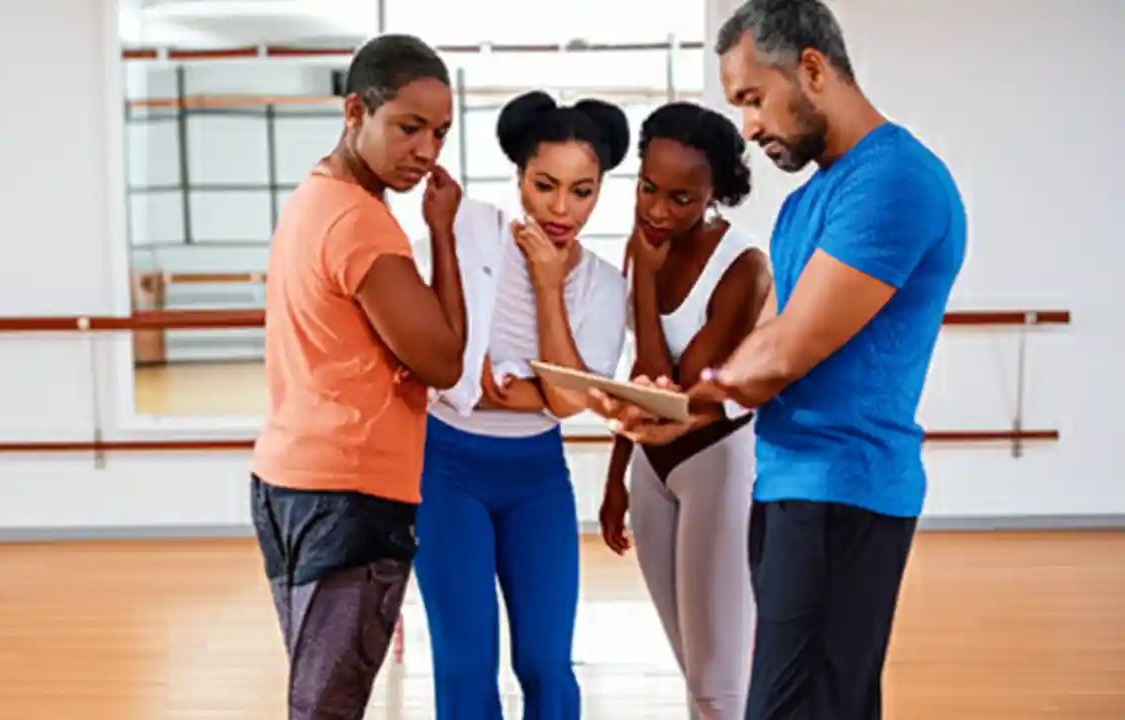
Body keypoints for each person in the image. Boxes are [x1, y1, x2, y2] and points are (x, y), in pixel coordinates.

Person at [592, 1, 968, 718]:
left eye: (753, 99)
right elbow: (763, 345)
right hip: (789, 487)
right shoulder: (808, 203)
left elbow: (788, 348)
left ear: (813, 68)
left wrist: (690, 403)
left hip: (844, 492)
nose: (750, 127)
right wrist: (678, 416)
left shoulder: (893, 182)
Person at [248, 33, 468, 719]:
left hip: (288, 484)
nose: (427, 152)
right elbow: (443, 360)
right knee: (327, 708)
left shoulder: (312, 196)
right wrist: (445, 235)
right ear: (355, 111)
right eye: (409, 127)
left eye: (439, 133)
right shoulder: (362, 221)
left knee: (316, 700)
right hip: (349, 495)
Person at [413, 90, 630, 719]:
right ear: (518, 176)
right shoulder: (469, 231)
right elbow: (447, 372)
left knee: (545, 661)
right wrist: (509, 388)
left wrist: (546, 283)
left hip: (537, 476)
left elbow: (563, 401)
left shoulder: (603, 286)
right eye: (545, 185)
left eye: (582, 190)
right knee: (464, 661)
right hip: (446, 467)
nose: (562, 208)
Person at [598, 102, 770, 720]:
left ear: (714, 194)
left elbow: (671, 390)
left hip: (714, 465)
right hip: (651, 467)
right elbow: (633, 381)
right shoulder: (642, 244)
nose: (656, 211)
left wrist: (645, 279)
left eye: (680, 198)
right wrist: (617, 476)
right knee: (692, 669)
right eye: (648, 188)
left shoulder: (742, 267)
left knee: (720, 682)